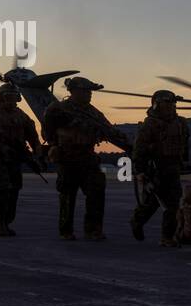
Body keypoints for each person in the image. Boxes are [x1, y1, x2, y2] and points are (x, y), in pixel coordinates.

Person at [42, 76, 131, 240]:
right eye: (85, 91)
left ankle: (93, 230)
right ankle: (66, 231)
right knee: (67, 196)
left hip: (87, 156)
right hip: (67, 157)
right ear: (74, 91)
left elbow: (109, 130)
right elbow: (47, 131)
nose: (89, 95)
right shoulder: (58, 109)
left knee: (96, 192)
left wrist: (128, 143)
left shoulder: (93, 112)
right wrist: (55, 145)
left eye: (89, 92)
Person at [0, 83, 41, 237]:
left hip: (15, 158)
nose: (11, 100)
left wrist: (36, 151)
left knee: (15, 189)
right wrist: (0, 147)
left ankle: (7, 220)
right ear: (2, 98)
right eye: (8, 97)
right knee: (2, 189)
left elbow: (31, 133)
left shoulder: (21, 115)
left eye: (14, 97)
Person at [129, 90, 188, 247]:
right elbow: (139, 150)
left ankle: (167, 237)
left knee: (173, 203)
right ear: (156, 105)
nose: (171, 106)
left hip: (173, 168)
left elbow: (184, 144)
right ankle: (137, 221)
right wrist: (140, 170)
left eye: (173, 103)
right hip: (154, 169)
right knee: (151, 203)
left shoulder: (180, 123)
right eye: (167, 103)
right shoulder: (149, 125)